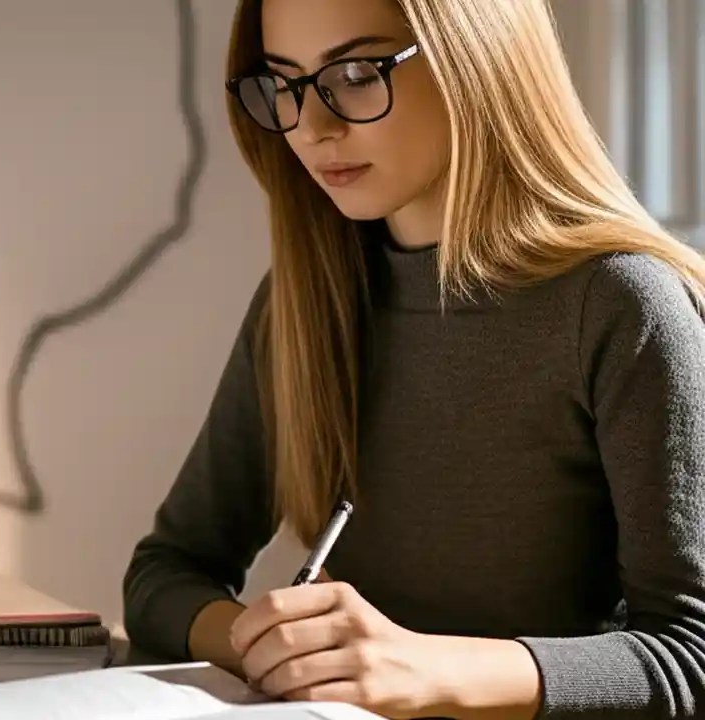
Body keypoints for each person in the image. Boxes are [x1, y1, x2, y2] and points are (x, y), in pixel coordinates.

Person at [122, 0, 705, 718]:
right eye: (285, 84)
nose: (313, 126)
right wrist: (277, 649)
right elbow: (164, 577)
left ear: (478, 59)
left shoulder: (621, 303)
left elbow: (691, 654)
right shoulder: (306, 304)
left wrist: (429, 669)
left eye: (359, 73)